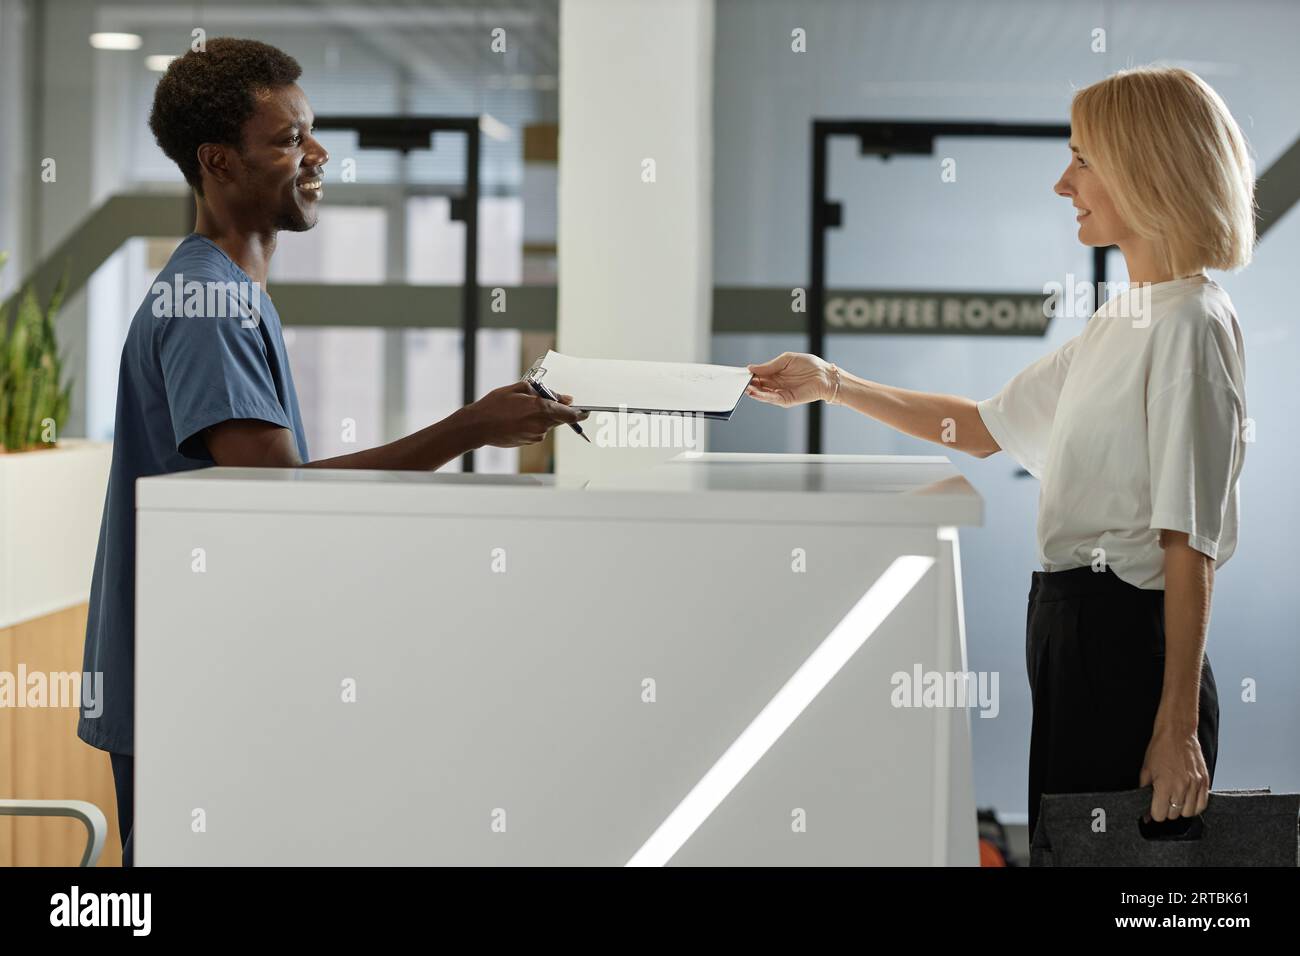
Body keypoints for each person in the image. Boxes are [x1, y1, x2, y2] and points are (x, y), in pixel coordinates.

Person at [78, 38, 587, 866]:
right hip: (186, 685)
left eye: (311, 134)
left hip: (203, 672)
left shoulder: (231, 291)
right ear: (218, 162)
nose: (318, 156)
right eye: (288, 140)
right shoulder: (209, 304)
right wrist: (469, 429)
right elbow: (275, 496)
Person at [747, 66, 1252, 843]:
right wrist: (832, 383)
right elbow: (981, 428)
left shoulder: (1191, 324)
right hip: (1068, 631)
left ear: (1146, 168)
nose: (1063, 182)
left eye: (1082, 158)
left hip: (1126, 648)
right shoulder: (1125, 319)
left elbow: (1191, 543)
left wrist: (1176, 726)